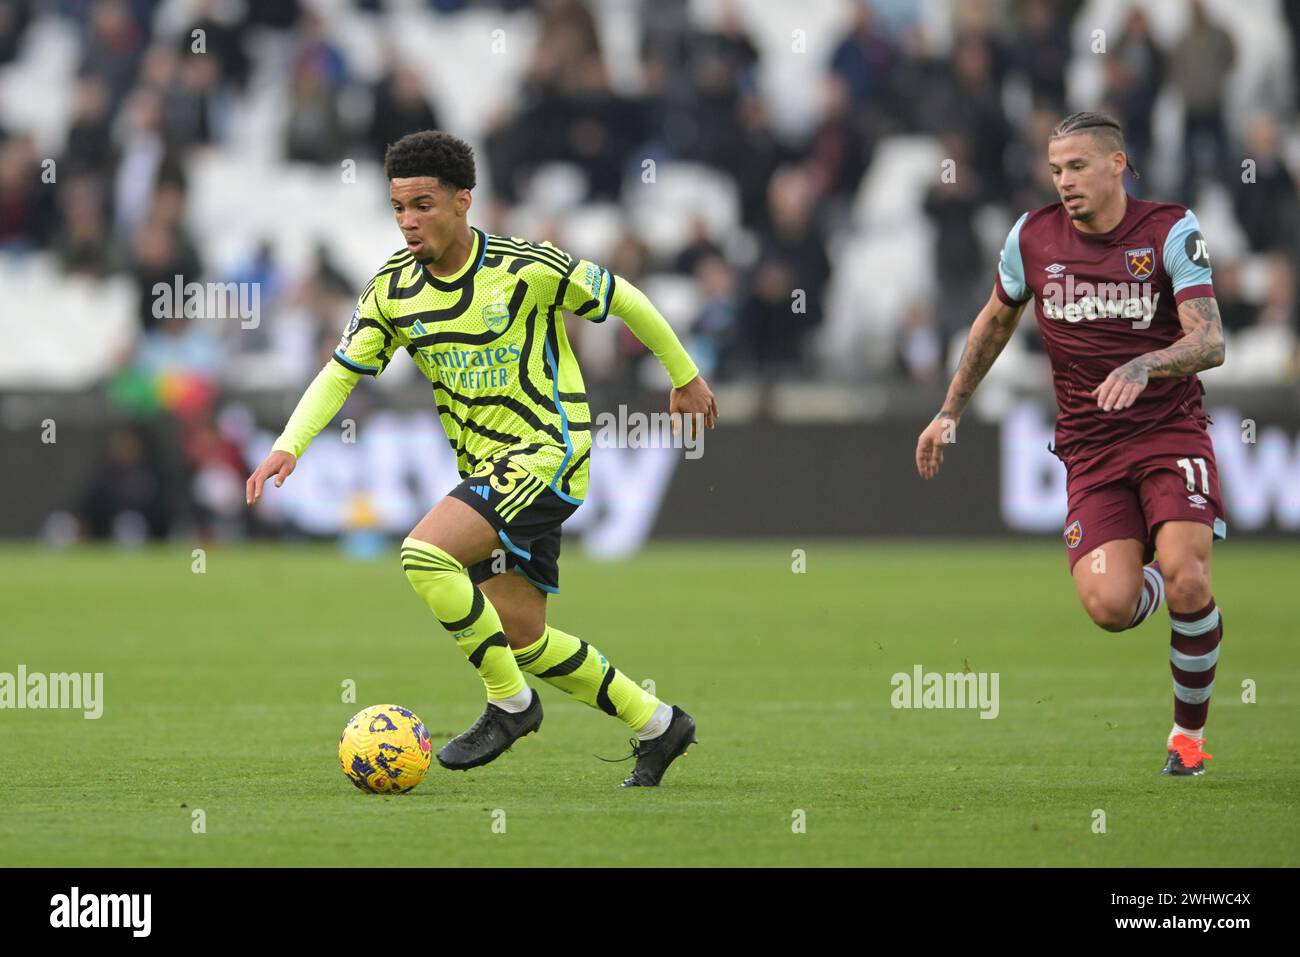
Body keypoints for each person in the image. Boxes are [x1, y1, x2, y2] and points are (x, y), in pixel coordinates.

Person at [246, 130, 718, 787]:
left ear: (464, 201)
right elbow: (340, 371)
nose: (409, 220)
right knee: (522, 636)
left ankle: (511, 704)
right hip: (489, 472)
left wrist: (685, 375)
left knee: (423, 553)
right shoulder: (393, 289)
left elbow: (626, 299)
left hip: (548, 456)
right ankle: (659, 724)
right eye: (398, 207)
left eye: (424, 204)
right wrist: (287, 445)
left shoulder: (527, 267)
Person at [915, 112, 1227, 777]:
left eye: (1077, 166)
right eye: (1055, 170)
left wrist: (1147, 365)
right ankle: (1149, 569)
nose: (1064, 182)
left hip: (1170, 431)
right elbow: (995, 320)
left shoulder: (1171, 229)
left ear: (1117, 164)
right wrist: (949, 410)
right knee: (1111, 608)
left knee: (1189, 575)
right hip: (1090, 448)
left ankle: (1188, 738)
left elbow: (1210, 340)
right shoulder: (1031, 237)